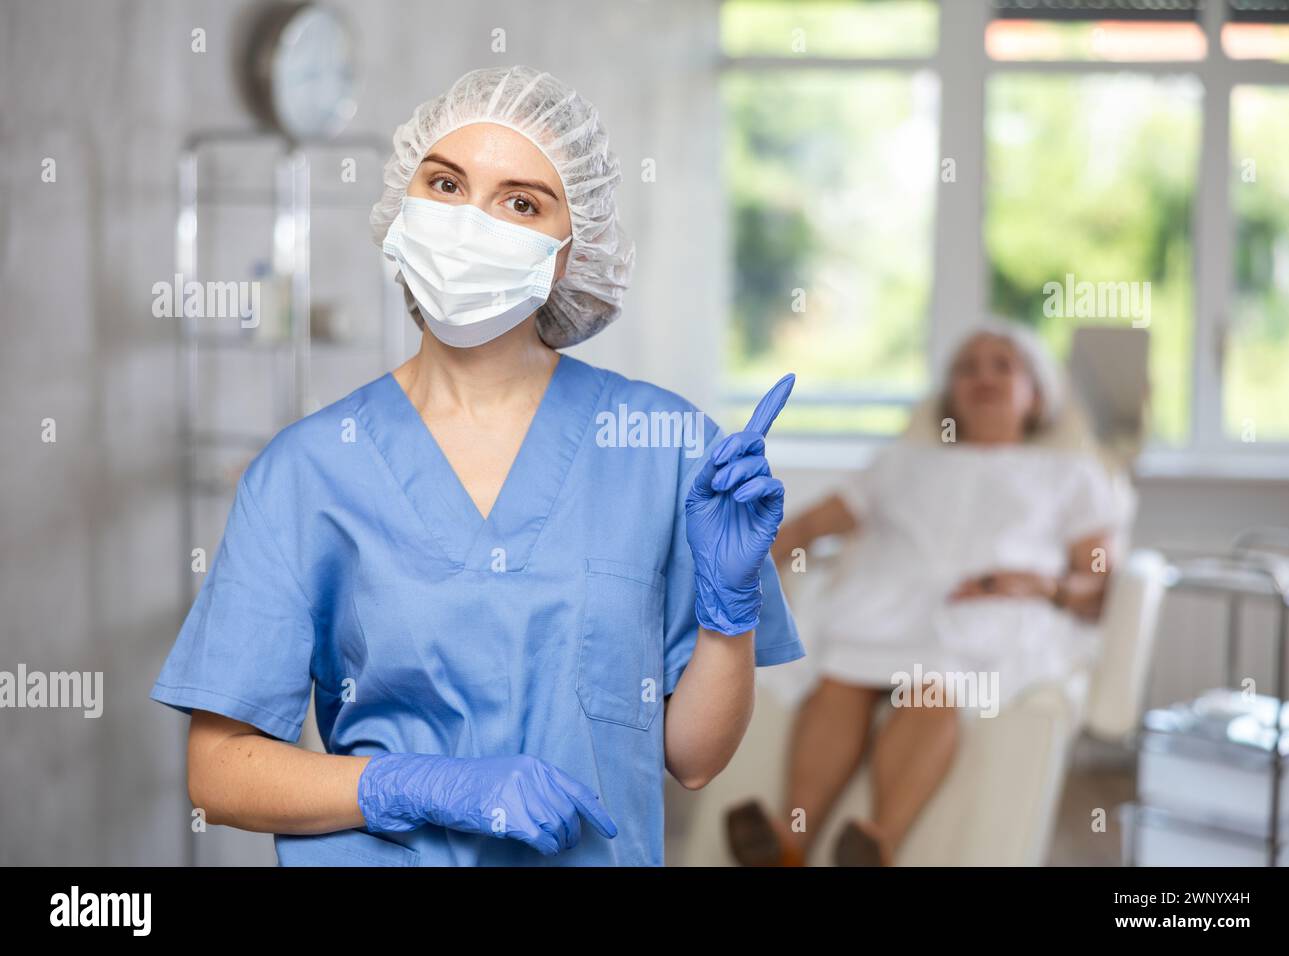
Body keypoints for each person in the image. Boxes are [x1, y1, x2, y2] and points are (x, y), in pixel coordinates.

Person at [150, 65, 804, 867]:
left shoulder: (661, 446)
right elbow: (219, 773)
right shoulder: (307, 471)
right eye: (446, 184)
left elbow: (695, 759)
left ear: (570, 252)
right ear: (401, 209)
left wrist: (728, 611)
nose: (471, 222)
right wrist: (412, 785)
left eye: (521, 201)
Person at [726, 320, 1118, 866]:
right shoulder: (903, 462)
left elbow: (1097, 583)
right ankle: (789, 844)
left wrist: (1043, 585)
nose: (982, 376)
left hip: (991, 611)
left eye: (1002, 365)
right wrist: (735, 562)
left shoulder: (1070, 474)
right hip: (885, 604)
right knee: (839, 677)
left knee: (933, 687)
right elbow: (807, 528)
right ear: (948, 394)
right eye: (966, 368)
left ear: (1038, 394)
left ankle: (876, 842)